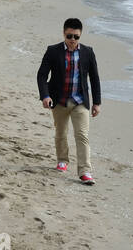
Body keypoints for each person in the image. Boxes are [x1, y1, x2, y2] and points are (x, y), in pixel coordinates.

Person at [37, 17, 101, 184]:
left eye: (76, 37)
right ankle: (62, 161)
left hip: (80, 101)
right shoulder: (53, 51)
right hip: (59, 100)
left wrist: (97, 103)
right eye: (69, 36)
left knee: (82, 135)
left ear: (80, 36)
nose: (72, 40)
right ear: (64, 34)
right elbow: (42, 75)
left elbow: (94, 78)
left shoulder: (88, 52)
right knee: (61, 133)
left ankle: (85, 171)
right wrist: (45, 95)